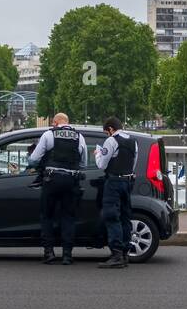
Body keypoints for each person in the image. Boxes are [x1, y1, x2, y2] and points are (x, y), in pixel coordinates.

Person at [27, 113, 88, 265]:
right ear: (67, 122)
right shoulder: (79, 137)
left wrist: (32, 165)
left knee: (47, 216)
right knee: (68, 217)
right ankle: (67, 255)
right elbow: (84, 163)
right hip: (71, 180)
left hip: (52, 180)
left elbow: (34, 159)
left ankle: (49, 253)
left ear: (55, 122)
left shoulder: (49, 135)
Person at [94, 116, 138, 269]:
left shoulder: (111, 141)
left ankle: (116, 254)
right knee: (125, 218)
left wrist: (97, 154)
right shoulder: (133, 141)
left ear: (111, 129)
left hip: (113, 182)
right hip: (127, 181)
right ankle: (124, 253)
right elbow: (134, 163)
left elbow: (101, 165)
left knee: (112, 217)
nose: (107, 135)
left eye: (107, 132)